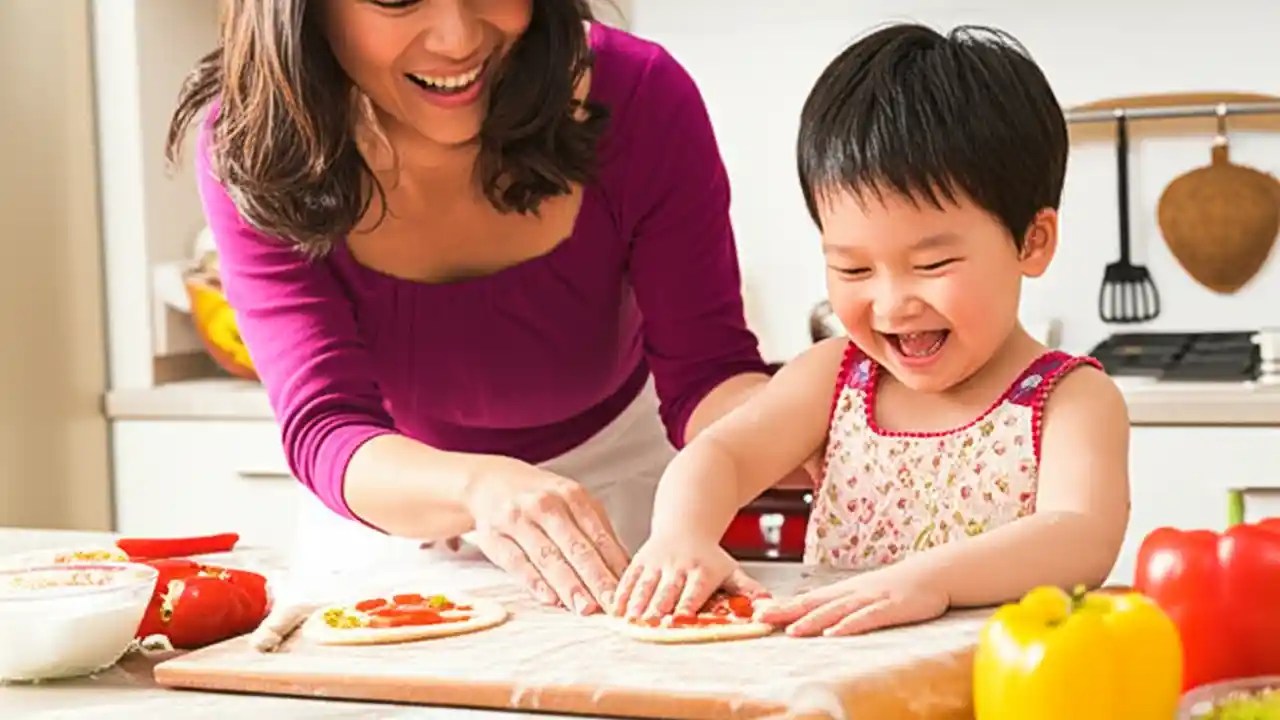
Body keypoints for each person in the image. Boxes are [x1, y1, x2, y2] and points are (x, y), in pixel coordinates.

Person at [164, 0, 780, 615]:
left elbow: (709, 375)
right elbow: (327, 428)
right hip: (389, 522)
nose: (457, 38)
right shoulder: (255, 146)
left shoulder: (638, 93)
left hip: (631, 519)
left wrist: (801, 426)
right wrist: (478, 486)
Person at [611, 22, 1132, 637]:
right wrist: (681, 533)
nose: (891, 304)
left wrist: (928, 580)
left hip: (996, 688)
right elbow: (720, 454)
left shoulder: (1070, 399)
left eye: (932, 264)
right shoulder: (834, 379)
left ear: (1032, 241)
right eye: (852, 267)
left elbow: (1081, 534)